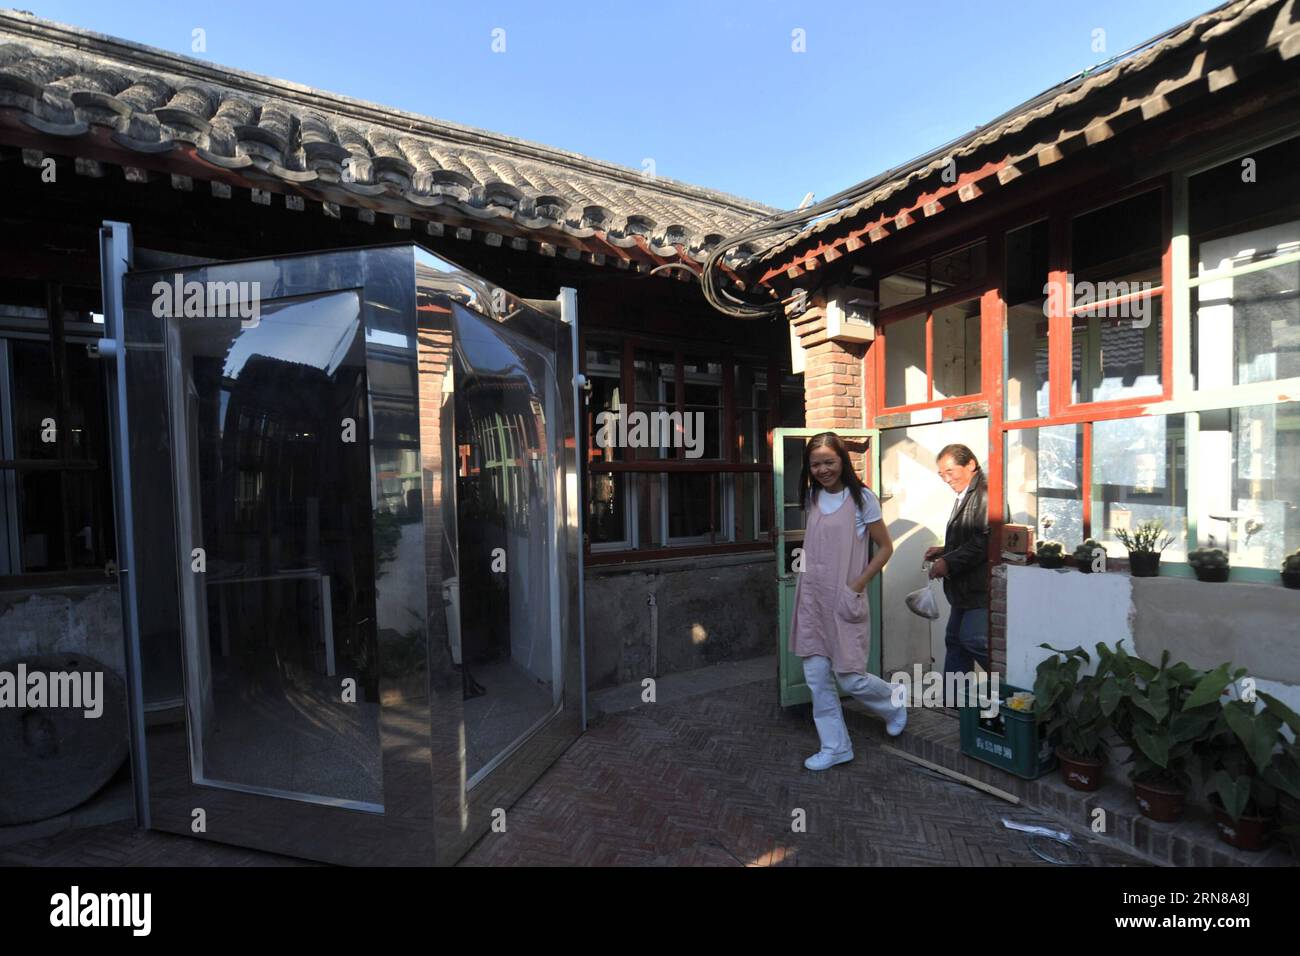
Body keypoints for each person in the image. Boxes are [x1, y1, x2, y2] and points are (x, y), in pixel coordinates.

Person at [789, 432, 907, 771]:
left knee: (851, 676)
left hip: (843, 597)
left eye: (829, 461)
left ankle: (894, 703)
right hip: (812, 598)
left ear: (842, 460)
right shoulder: (811, 496)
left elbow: (885, 547)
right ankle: (836, 746)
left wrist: (857, 584)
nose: (823, 469)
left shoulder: (862, 498)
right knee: (816, 676)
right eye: (815, 464)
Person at [924, 444, 990, 679]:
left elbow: (985, 541)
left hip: (980, 587)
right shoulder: (967, 494)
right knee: (955, 640)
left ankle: (1014, 686)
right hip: (964, 588)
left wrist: (949, 562)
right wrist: (944, 550)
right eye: (941, 474)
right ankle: (955, 704)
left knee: (973, 639)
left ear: (971, 465)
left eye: (949, 472)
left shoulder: (985, 493)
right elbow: (970, 537)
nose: (946, 479)